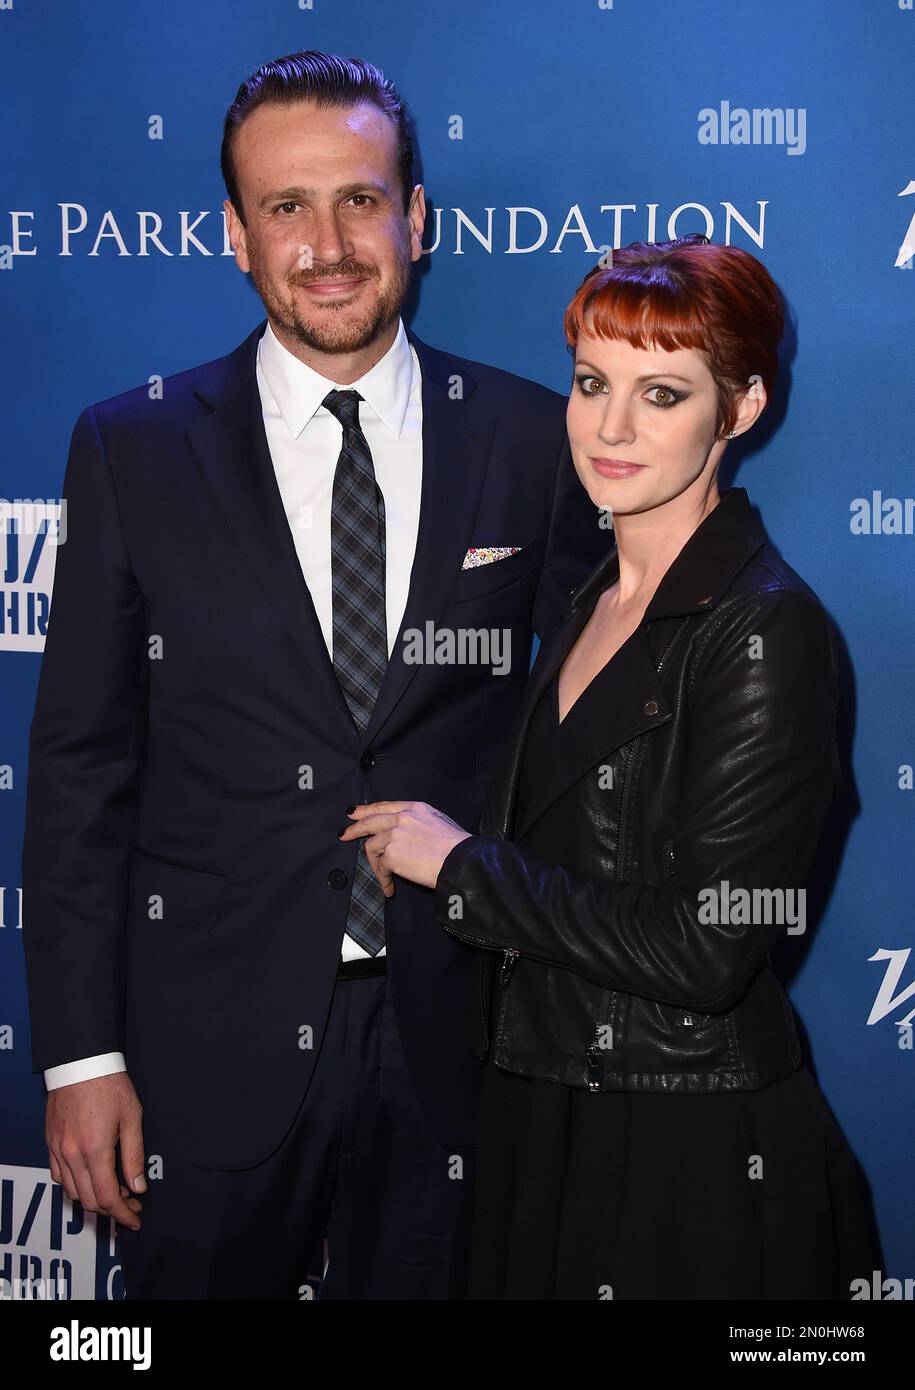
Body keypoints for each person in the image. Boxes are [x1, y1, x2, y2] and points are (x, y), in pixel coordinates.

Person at [20, 50, 606, 1300]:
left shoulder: (530, 438)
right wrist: (79, 1060)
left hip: (463, 1030)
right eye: (287, 207)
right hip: (204, 1043)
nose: (329, 243)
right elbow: (79, 769)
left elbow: (574, 733)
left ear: (418, 219)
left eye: (360, 199)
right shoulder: (131, 447)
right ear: (236, 236)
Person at [342, 234, 884, 1299]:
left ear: (741, 409)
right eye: (593, 382)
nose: (612, 425)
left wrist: (461, 870)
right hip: (547, 1104)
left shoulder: (769, 629)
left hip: (683, 1132)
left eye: (664, 393)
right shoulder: (594, 595)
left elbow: (707, 946)